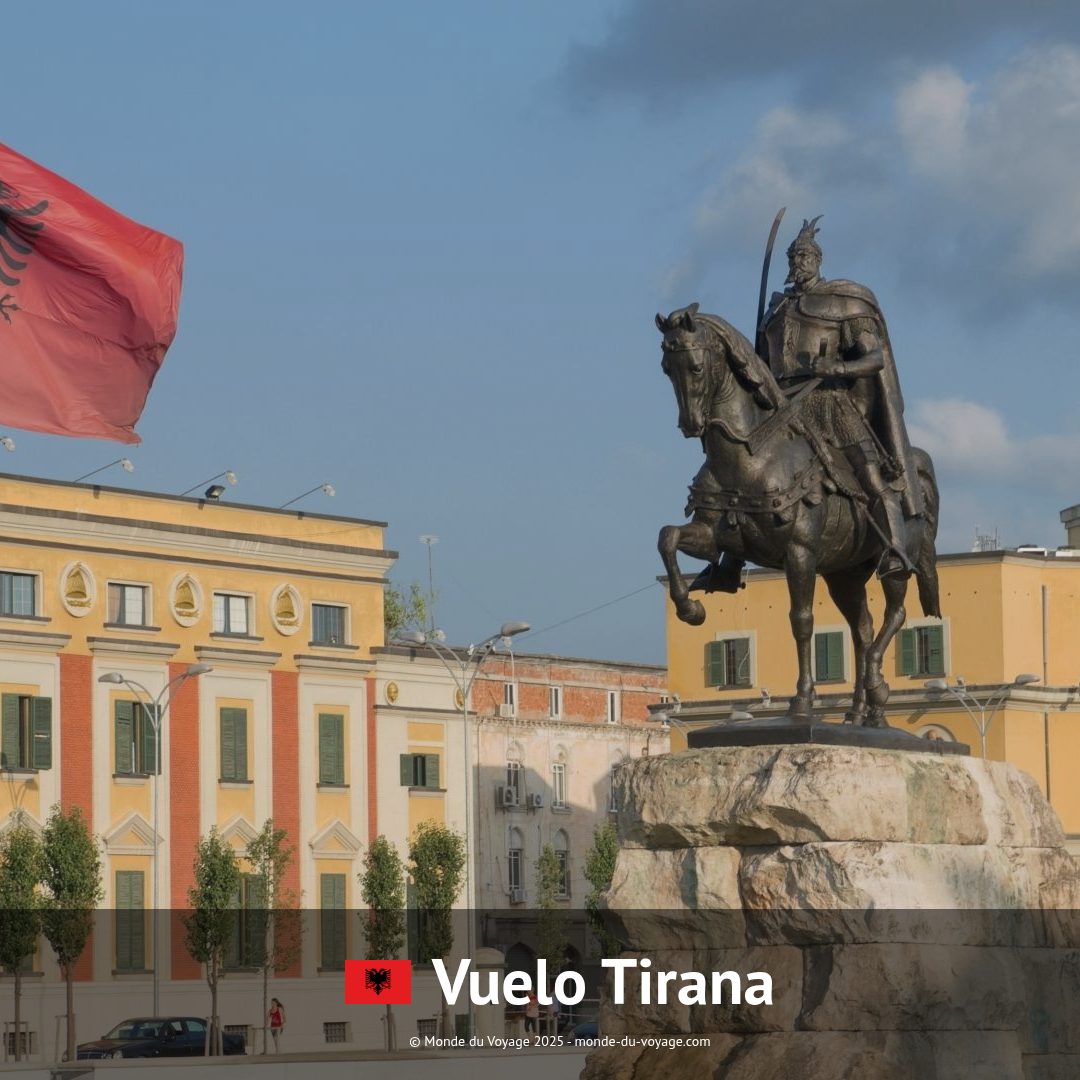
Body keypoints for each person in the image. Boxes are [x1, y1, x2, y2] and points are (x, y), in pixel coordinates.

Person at [758, 216, 919, 578]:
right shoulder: (776, 311)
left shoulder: (842, 302)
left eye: (805, 256)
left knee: (870, 472)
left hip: (830, 403)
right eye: (794, 257)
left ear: (818, 260)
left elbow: (874, 358)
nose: (798, 263)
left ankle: (895, 550)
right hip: (783, 408)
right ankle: (728, 561)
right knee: (744, 467)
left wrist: (837, 370)